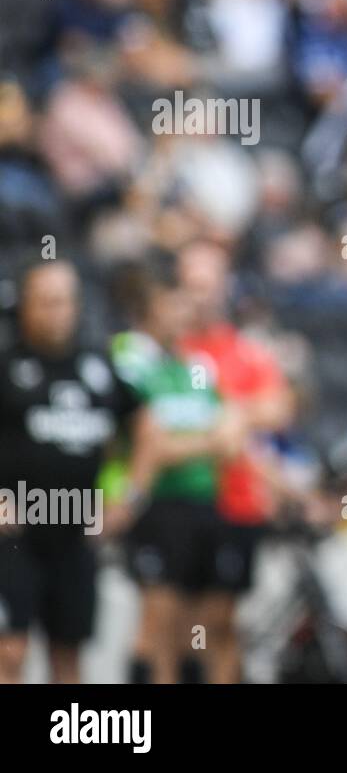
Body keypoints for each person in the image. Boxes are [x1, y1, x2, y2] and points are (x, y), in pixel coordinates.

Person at [0, 260, 143, 683]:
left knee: (69, 653)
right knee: (10, 650)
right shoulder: (7, 367)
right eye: (44, 302)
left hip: (75, 531)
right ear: (24, 307)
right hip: (15, 537)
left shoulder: (98, 369)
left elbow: (145, 428)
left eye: (62, 301)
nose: (54, 311)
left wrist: (127, 498)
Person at [109, 256, 246, 684]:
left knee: (210, 627)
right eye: (172, 305)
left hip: (205, 501)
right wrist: (204, 441)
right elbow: (149, 441)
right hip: (158, 505)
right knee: (161, 625)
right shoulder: (129, 358)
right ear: (149, 308)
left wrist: (192, 441)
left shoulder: (193, 365)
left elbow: (231, 432)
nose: (183, 315)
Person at [177, 239, 295, 684]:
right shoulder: (173, 350)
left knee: (220, 622)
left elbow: (278, 406)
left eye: (207, 284)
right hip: (183, 501)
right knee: (180, 625)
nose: (199, 294)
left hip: (236, 503)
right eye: (191, 285)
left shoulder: (244, 349)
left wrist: (235, 414)